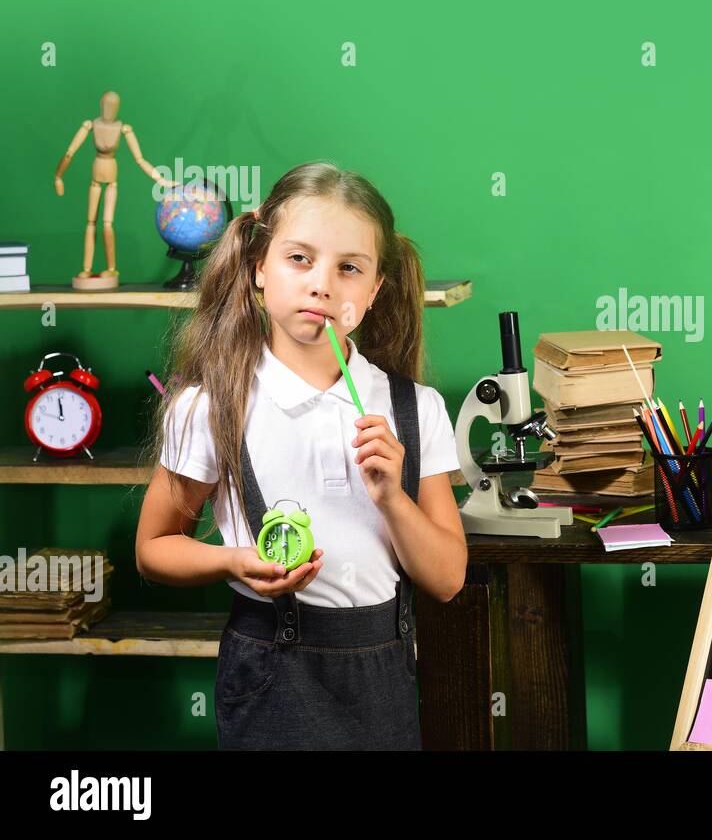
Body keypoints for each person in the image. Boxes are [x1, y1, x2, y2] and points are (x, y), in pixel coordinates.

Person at [135, 161, 467, 749]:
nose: (322, 285)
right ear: (259, 267)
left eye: (348, 268)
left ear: (374, 290)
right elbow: (153, 550)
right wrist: (232, 562)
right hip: (269, 671)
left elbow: (445, 579)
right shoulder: (210, 405)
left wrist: (393, 497)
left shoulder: (415, 409)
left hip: (382, 677)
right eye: (299, 258)